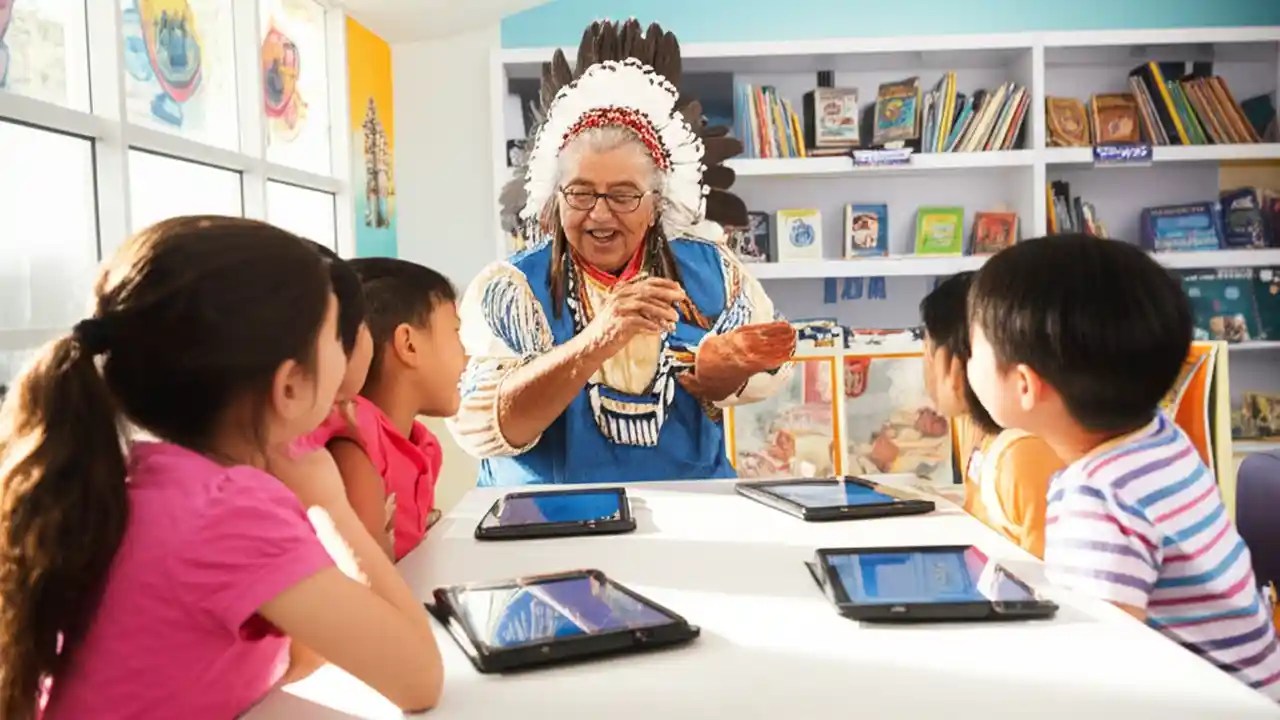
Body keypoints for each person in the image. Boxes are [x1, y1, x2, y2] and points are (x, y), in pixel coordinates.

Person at [0, 217, 443, 718]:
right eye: (334, 333)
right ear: (290, 385)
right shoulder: (227, 508)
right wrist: (330, 506)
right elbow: (418, 678)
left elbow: (296, 656)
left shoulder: (139, 479)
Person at [449, 20, 796, 486]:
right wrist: (599, 338)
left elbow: (761, 378)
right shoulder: (510, 290)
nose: (599, 214)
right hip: (548, 522)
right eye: (580, 193)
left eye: (623, 195)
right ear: (556, 199)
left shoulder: (710, 272)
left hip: (689, 510)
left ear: (656, 205)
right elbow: (484, 429)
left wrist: (721, 369)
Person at [965, 234, 1280, 701]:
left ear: (1026, 386)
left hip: (1216, 706)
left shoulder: (1099, 499)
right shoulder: (1158, 438)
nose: (968, 362)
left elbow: (1099, 679)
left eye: (973, 351)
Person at [326, 257, 462, 560]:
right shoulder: (355, 436)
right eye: (456, 332)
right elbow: (365, 573)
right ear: (409, 345)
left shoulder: (423, 445)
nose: (467, 353)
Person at [919, 271, 1063, 558]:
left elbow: (1047, 584)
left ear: (956, 365)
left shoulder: (1022, 454)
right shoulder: (987, 437)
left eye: (927, 350)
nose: (925, 365)